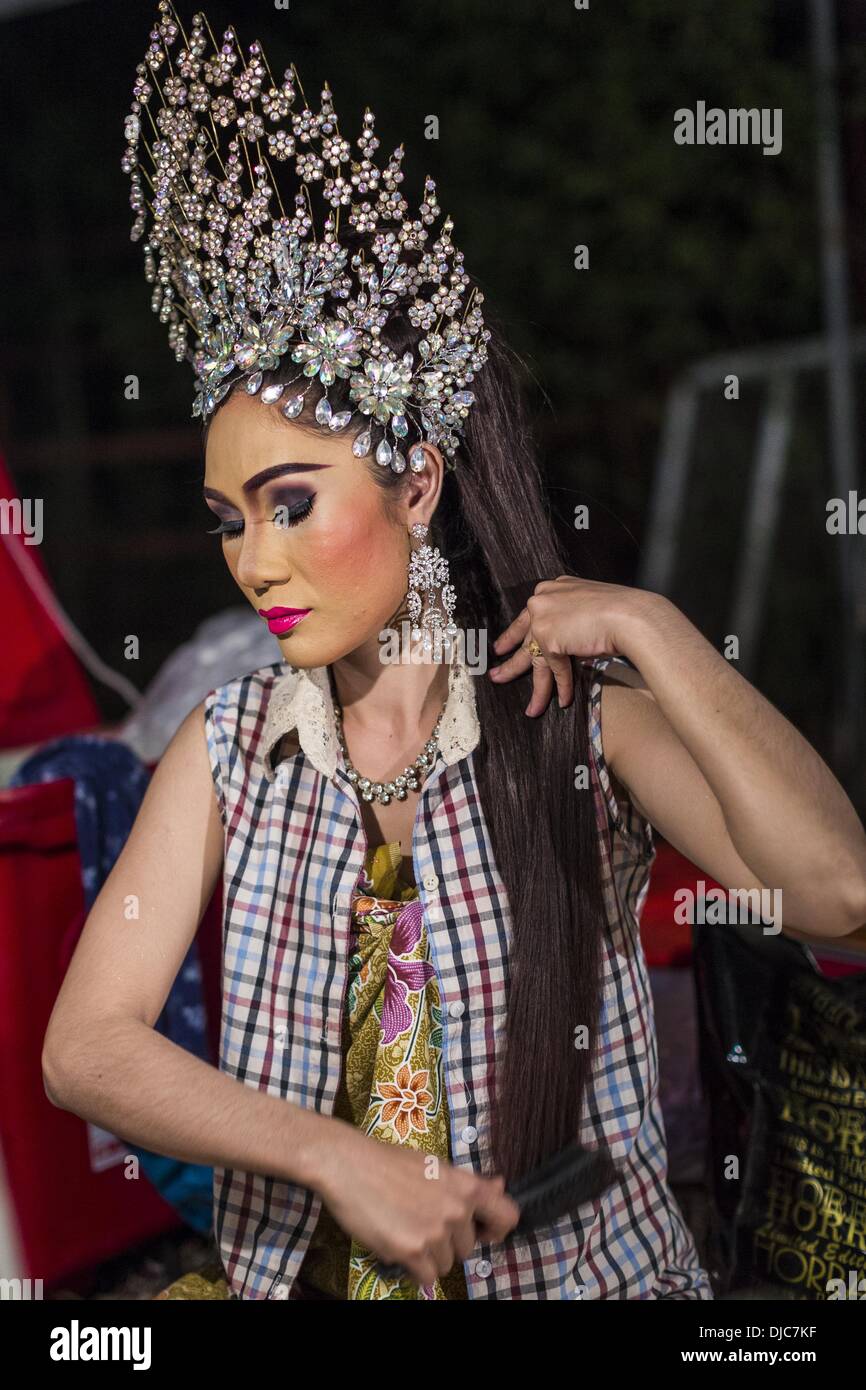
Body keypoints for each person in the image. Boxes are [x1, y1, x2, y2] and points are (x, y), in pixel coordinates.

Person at [43, 1, 866, 1301]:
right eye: (225, 519)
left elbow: (834, 892)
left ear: (417, 485)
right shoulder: (234, 745)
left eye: (291, 501)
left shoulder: (570, 721)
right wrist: (326, 1153)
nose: (253, 560)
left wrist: (651, 630)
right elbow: (85, 1045)